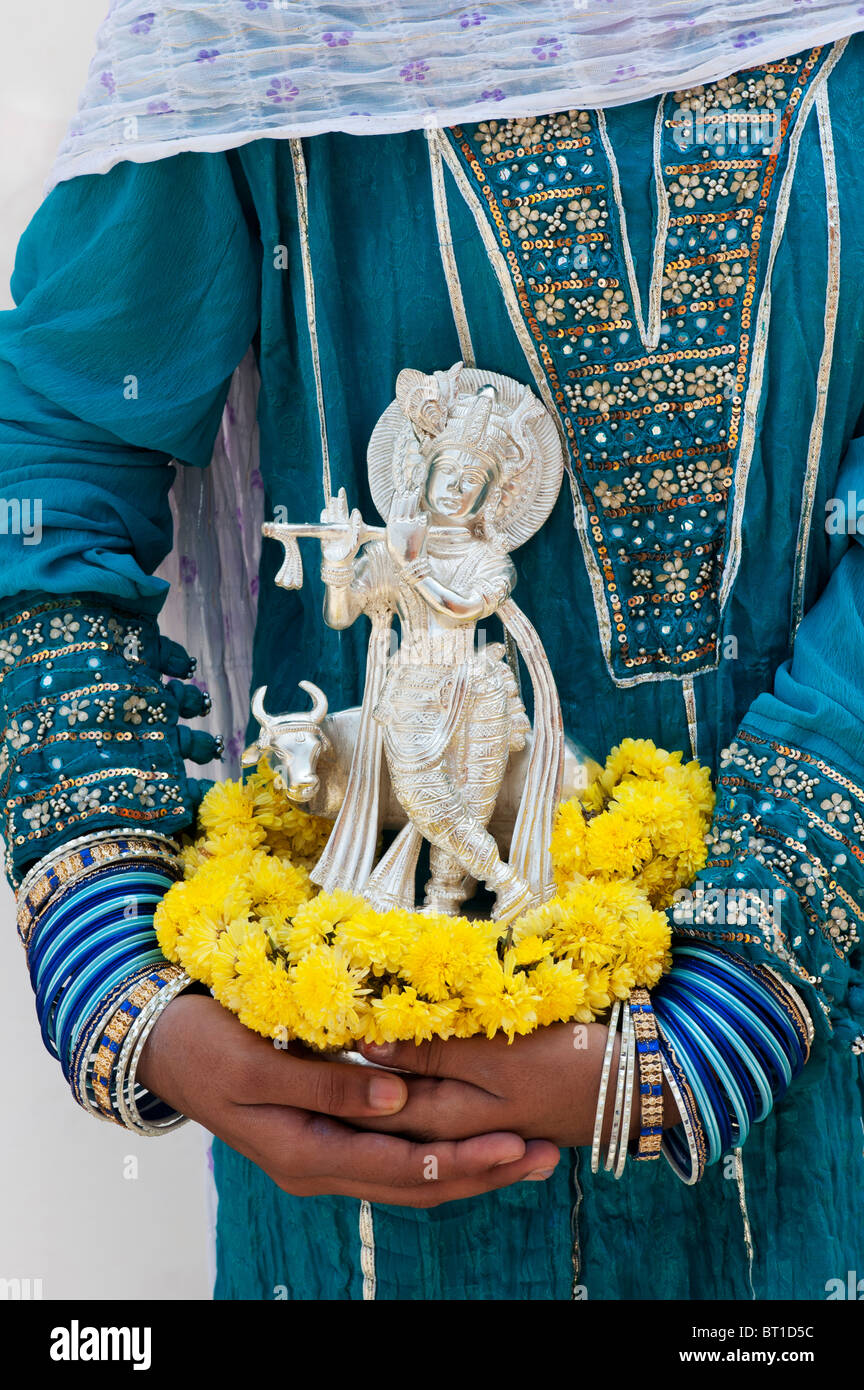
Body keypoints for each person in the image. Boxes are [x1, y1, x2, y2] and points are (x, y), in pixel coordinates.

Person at [2, 3, 863, 1300]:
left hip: (820, 1063)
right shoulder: (255, 20)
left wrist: (746, 981)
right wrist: (126, 974)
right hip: (376, 1107)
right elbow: (52, 463)